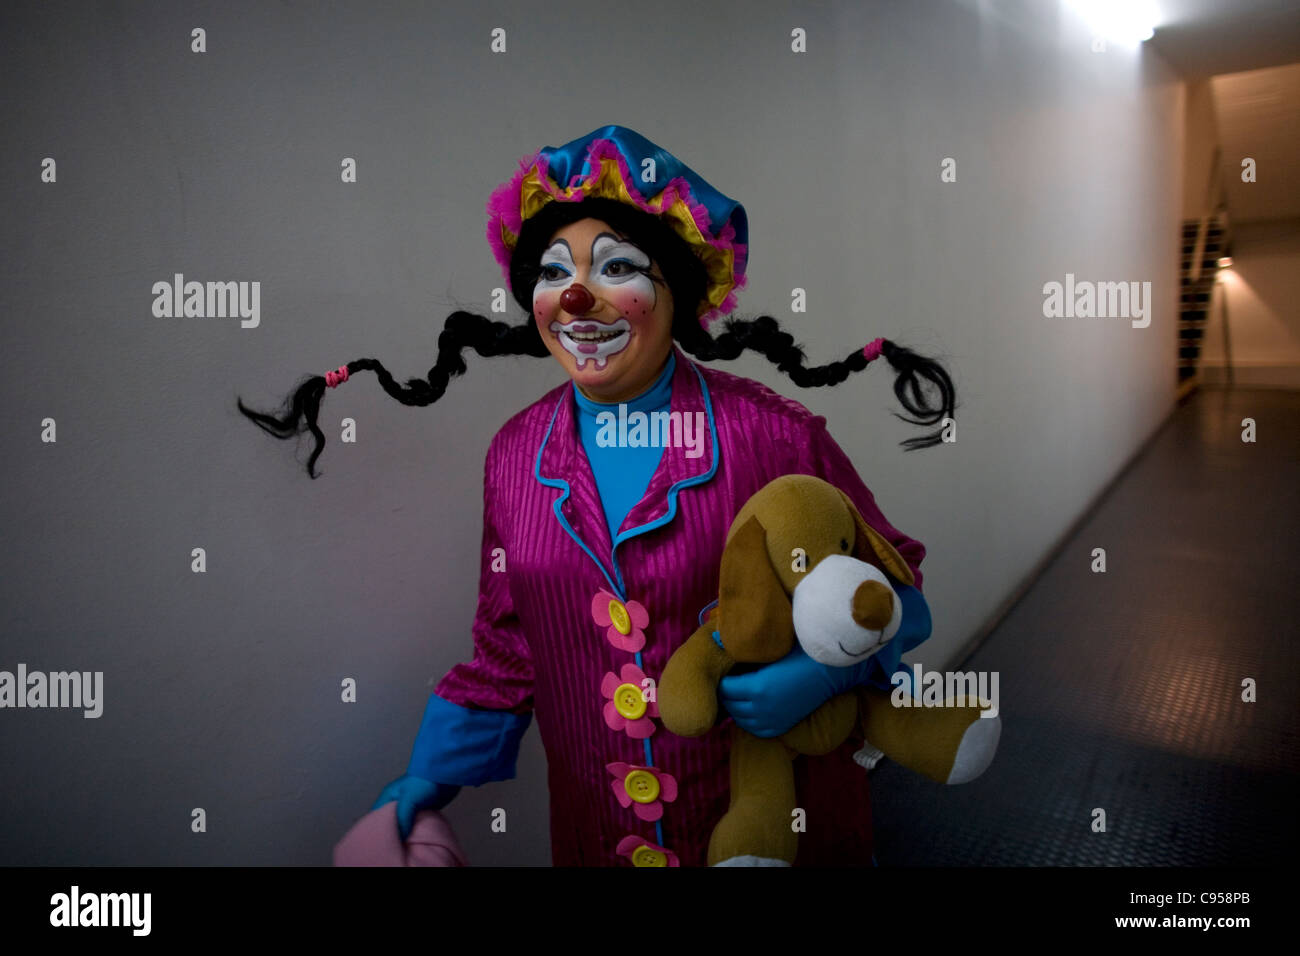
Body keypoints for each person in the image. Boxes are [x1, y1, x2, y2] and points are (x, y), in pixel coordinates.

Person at [239, 125, 956, 866]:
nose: (576, 298)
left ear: (676, 292)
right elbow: (508, 647)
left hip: (781, 831)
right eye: (554, 273)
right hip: (598, 838)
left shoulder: (774, 435)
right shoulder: (515, 457)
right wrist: (430, 775)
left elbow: (903, 594)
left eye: (616, 267)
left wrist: (824, 672)